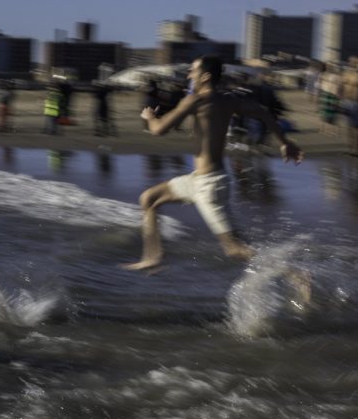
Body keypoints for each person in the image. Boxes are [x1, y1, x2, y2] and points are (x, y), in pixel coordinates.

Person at [123, 56, 303, 270]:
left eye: (193, 71)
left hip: (209, 187)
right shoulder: (228, 100)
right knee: (149, 199)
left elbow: (158, 130)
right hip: (199, 180)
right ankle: (153, 256)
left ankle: (293, 272)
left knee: (234, 249)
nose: (189, 75)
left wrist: (149, 117)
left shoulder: (195, 100)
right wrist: (285, 143)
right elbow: (263, 112)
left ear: (206, 76)